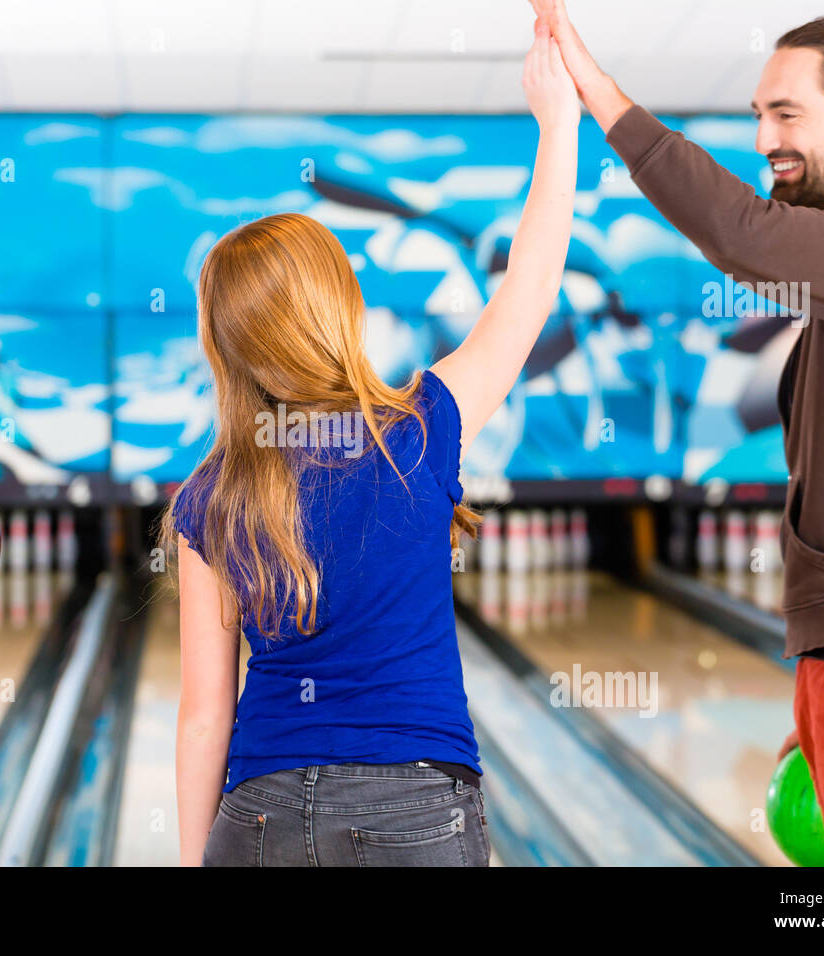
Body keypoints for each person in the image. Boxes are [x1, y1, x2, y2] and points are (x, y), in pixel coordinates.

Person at [534, 0, 824, 864]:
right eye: (758, 113)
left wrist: (602, 99)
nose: (763, 135)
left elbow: (741, 233)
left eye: (787, 113)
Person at [162, 16, 578, 866]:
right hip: (413, 811)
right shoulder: (419, 431)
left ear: (225, 345)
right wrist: (560, 123)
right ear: (338, 308)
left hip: (258, 821)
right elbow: (529, 291)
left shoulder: (210, 495)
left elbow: (204, 712)